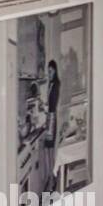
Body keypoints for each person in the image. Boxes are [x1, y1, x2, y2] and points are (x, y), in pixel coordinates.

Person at [42, 60, 59, 193]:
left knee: (50, 150)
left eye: (51, 71)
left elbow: (52, 104)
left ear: (55, 70)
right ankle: (50, 177)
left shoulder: (56, 84)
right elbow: (49, 103)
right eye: (48, 71)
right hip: (49, 118)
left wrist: (46, 108)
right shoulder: (50, 84)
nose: (49, 73)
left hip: (52, 119)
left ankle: (52, 180)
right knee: (47, 150)